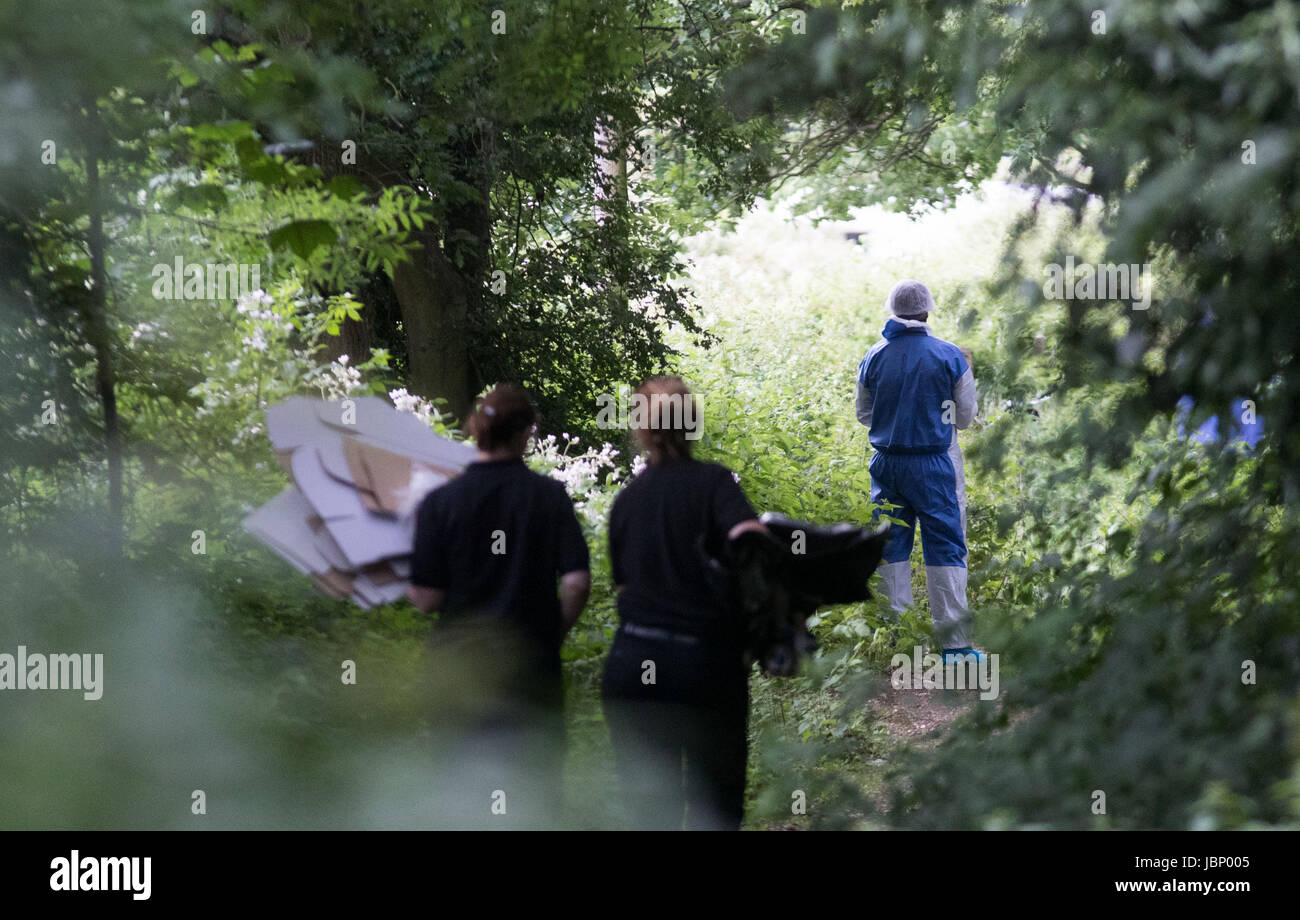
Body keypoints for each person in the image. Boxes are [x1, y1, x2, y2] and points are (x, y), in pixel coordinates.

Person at [406, 384, 591, 826]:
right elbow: (578, 582)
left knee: (460, 792)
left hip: (459, 672)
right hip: (530, 669)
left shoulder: (440, 502)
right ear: (527, 432)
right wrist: (551, 634)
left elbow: (425, 599)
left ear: (475, 430)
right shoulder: (548, 497)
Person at [601, 375, 766, 830]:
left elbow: (624, 588)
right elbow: (751, 540)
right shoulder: (714, 483)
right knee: (714, 809)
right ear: (691, 423)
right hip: (704, 663)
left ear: (641, 429)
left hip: (633, 664)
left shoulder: (626, 502)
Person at [855, 280, 981, 661]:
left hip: (887, 463)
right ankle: (955, 646)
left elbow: (864, 414)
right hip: (935, 464)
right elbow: (965, 417)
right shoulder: (949, 355)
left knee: (891, 543)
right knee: (945, 544)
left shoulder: (874, 356)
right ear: (927, 311)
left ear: (893, 309)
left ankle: (895, 639)